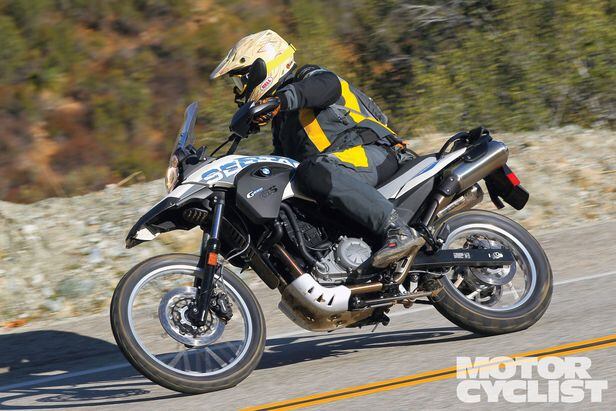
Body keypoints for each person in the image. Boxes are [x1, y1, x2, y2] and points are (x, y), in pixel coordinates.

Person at [210, 29, 423, 268]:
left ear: (264, 68)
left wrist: (279, 101)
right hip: (341, 171)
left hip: (376, 152)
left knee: (312, 169)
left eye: (242, 80)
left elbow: (327, 86)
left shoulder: (309, 78)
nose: (240, 89)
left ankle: (397, 229)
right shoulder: (283, 124)